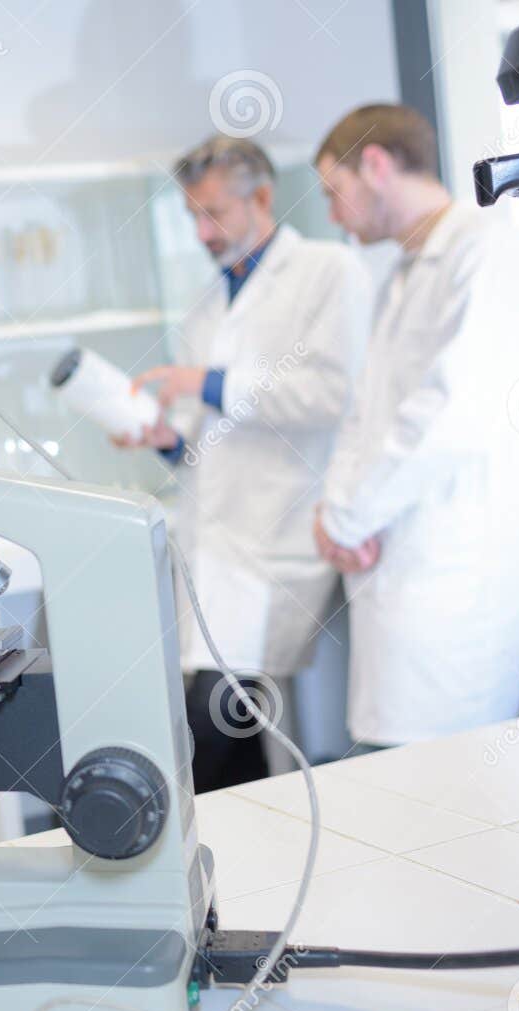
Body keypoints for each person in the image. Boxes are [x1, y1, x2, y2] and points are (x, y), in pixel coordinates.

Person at [116, 136, 371, 792]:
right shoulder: (207, 303)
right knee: (229, 731)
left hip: (279, 535)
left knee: (214, 727)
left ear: (261, 196)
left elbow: (329, 393)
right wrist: (162, 440)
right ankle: (245, 868)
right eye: (192, 217)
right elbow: (211, 445)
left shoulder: (327, 272)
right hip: (216, 545)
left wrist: (206, 382)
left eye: (214, 214)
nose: (202, 232)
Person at [312, 103, 519, 751]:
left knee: (445, 794)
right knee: (391, 780)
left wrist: (345, 521)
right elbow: (366, 417)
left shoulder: (494, 257)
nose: (333, 215)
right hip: (394, 572)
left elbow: (455, 417)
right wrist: (339, 515)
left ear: (375, 165)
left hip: (453, 582)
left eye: (333, 192)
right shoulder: (404, 275)